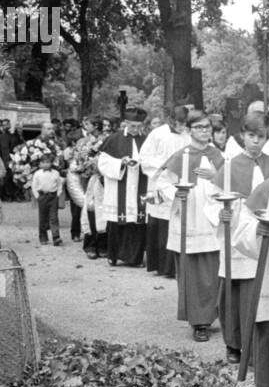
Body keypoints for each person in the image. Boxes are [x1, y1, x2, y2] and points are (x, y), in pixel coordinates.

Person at [154, 111, 227, 341]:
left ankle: (213, 314)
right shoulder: (180, 156)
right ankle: (199, 322)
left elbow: (232, 185)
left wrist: (217, 175)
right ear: (189, 130)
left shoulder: (219, 155)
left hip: (211, 219)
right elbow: (162, 184)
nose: (204, 131)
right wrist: (178, 192)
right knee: (193, 273)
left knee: (213, 272)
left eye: (207, 127)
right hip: (188, 219)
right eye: (198, 127)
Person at [214, 113, 269, 357]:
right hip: (236, 232)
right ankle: (234, 342)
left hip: (263, 231)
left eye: (261, 137)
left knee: (260, 287)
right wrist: (221, 215)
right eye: (251, 136)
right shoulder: (230, 165)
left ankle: (257, 344)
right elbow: (213, 200)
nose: (255, 141)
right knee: (235, 287)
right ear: (242, 135)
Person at [139, 104, 190, 278]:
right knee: (160, 225)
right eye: (179, 123)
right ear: (170, 120)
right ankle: (160, 266)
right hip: (158, 183)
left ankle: (175, 267)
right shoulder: (157, 134)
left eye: (184, 123)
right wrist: (162, 165)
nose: (182, 127)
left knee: (176, 222)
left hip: (179, 183)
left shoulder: (187, 136)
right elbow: (144, 157)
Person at [96, 108, 149, 266]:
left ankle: (135, 259)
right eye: (133, 126)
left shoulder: (146, 140)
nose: (136, 129)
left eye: (139, 126)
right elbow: (103, 162)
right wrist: (121, 163)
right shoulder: (114, 139)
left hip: (140, 184)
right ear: (125, 123)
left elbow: (153, 160)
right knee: (118, 222)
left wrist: (143, 164)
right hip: (120, 186)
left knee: (138, 224)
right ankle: (114, 256)